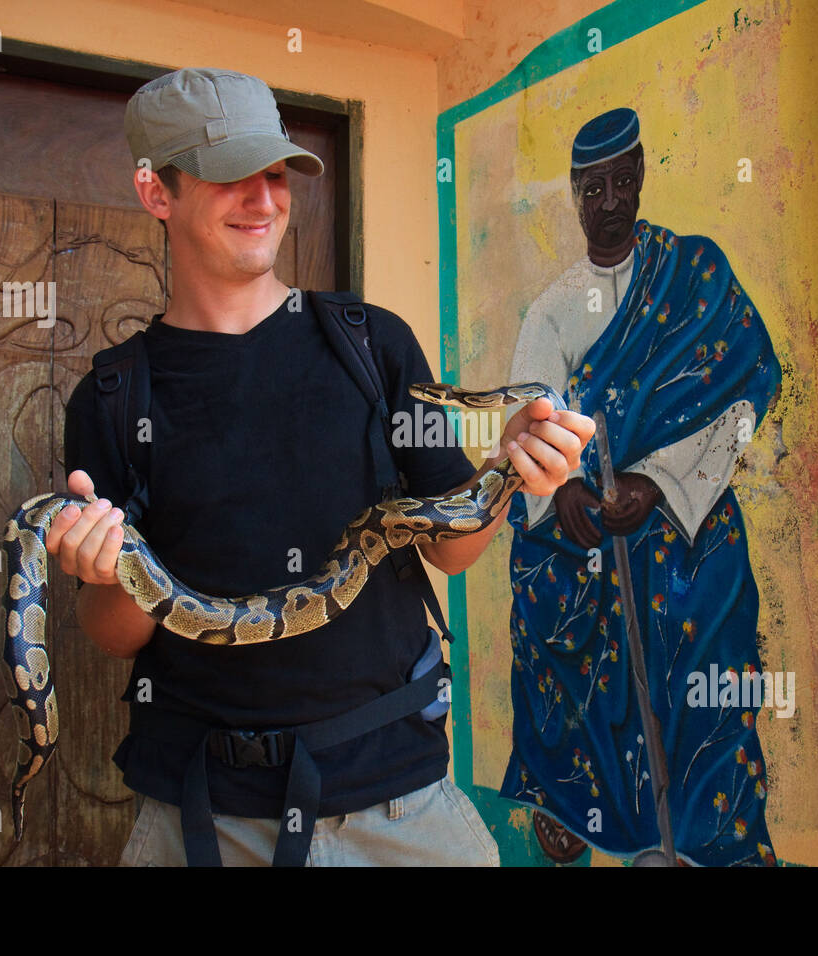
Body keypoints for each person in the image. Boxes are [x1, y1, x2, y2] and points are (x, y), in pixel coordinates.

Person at [45, 67, 594, 866]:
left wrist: (509, 470)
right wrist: (107, 574)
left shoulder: (370, 344)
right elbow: (116, 637)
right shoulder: (112, 393)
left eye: (275, 173)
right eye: (231, 174)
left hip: (402, 806)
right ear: (155, 193)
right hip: (206, 817)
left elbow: (448, 547)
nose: (263, 199)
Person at [500, 108, 782, 865]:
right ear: (576, 193)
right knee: (558, 626)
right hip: (595, 547)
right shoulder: (553, 311)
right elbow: (528, 432)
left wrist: (656, 483)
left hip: (692, 546)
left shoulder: (696, 273)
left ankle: (708, 846)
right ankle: (588, 814)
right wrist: (560, 496)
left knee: (709, 700)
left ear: (640, 178)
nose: (609, 200)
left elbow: (749, 389)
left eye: (623, 182)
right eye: (594, 188)